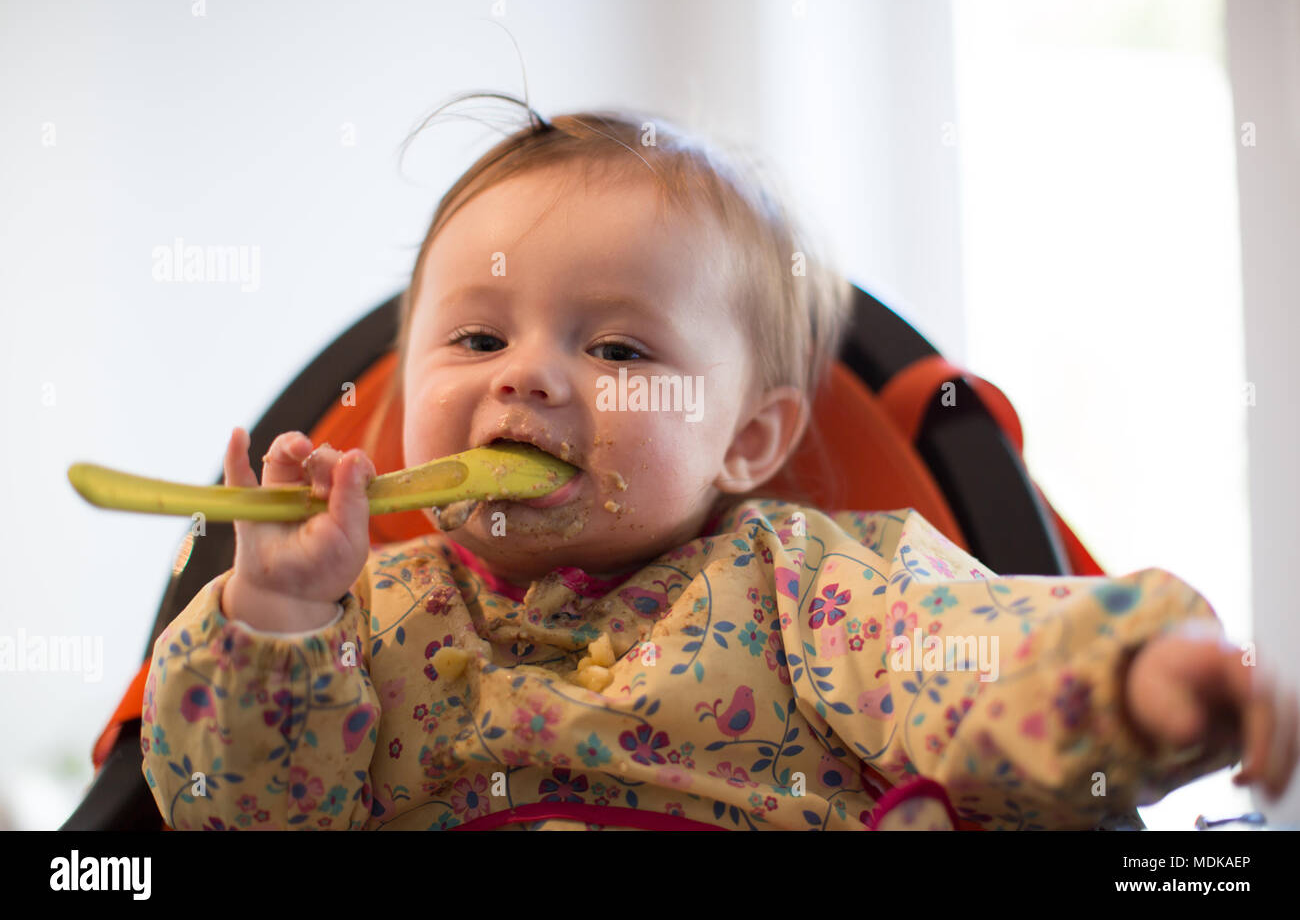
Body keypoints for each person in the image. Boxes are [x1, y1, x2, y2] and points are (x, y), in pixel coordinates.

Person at [141, 104, 1297, 830]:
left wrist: (1135, 678)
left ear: (746, 438)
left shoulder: (811, 585)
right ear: (400, 394)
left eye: (618, 348)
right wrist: (277, 611)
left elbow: (964, 663)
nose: (527, 376)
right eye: (479, 337)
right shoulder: (363, 621)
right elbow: (235, 810)